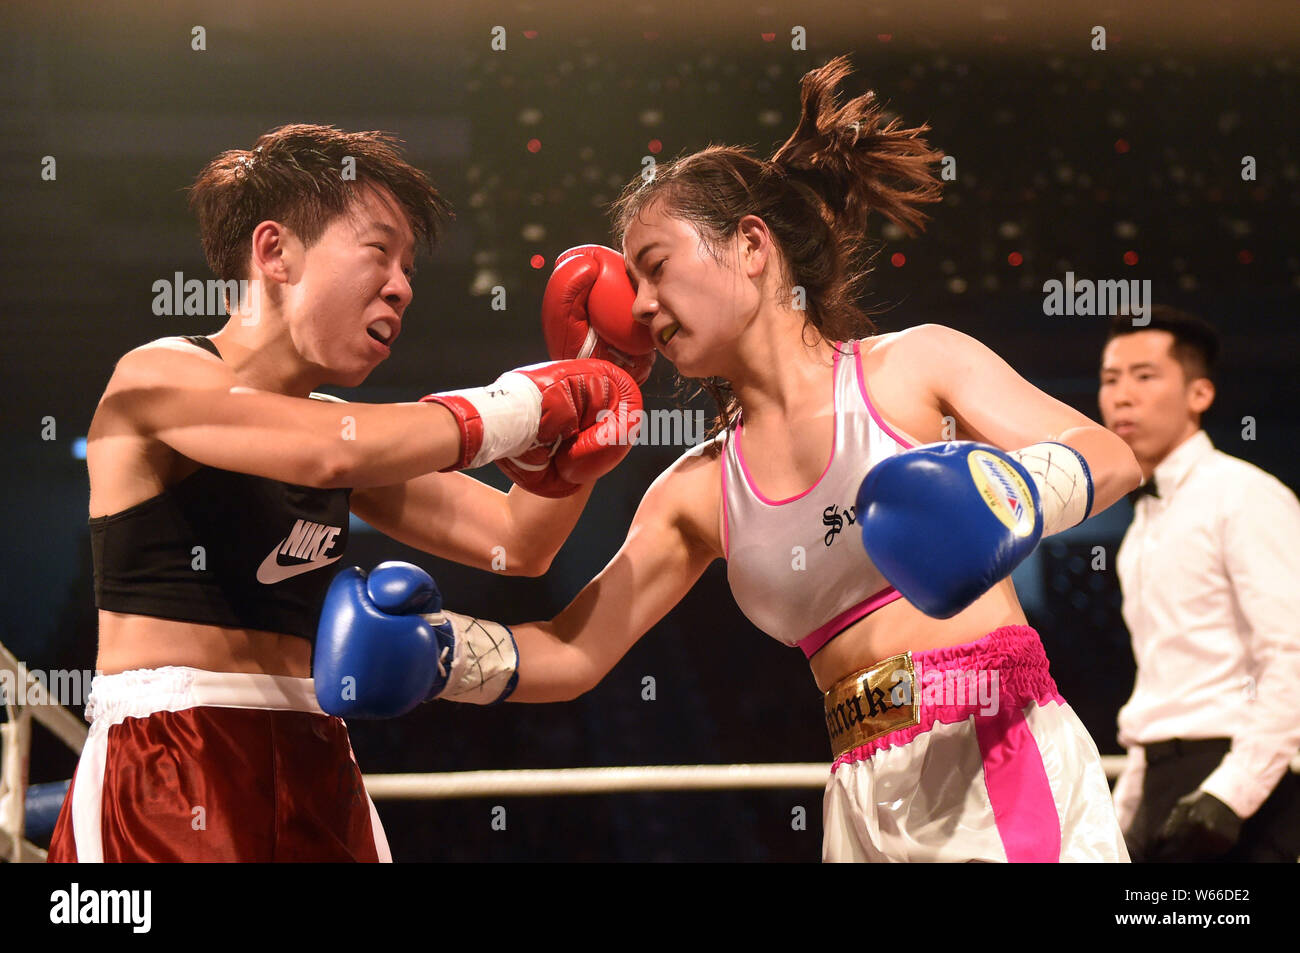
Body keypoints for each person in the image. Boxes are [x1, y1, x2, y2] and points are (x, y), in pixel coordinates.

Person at [317, 57, 1142, 862]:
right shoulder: (697, 488)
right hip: (857, 788)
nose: (639, 306)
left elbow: (1106, 454)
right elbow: (575, 652)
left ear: (751, 245)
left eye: (658, 267)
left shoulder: (913, 368)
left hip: (996, 746)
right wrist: (442, 655)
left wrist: (1014, 494)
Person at [47, 123, 646, 862]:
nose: (402, 284)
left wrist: (599, 387)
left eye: (409, 266)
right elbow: (327, 454)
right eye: (378, 251)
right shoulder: (156, 376)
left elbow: (517, 542)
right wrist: (521, 406)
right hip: (168, 756)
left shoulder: (337, 430)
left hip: (316, 755)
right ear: (275, 252)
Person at [1099, 306, 1300, 862]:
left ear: (1199, 395)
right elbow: (1161, 683)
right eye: (1111, 379)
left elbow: (1291, 655)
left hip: (1240, 777)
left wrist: (1230, 795)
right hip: (1161, 780)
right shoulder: (1143, 525)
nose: (1121, 395)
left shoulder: (1244, 494)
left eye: (1144, 376)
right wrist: (1122, 819)